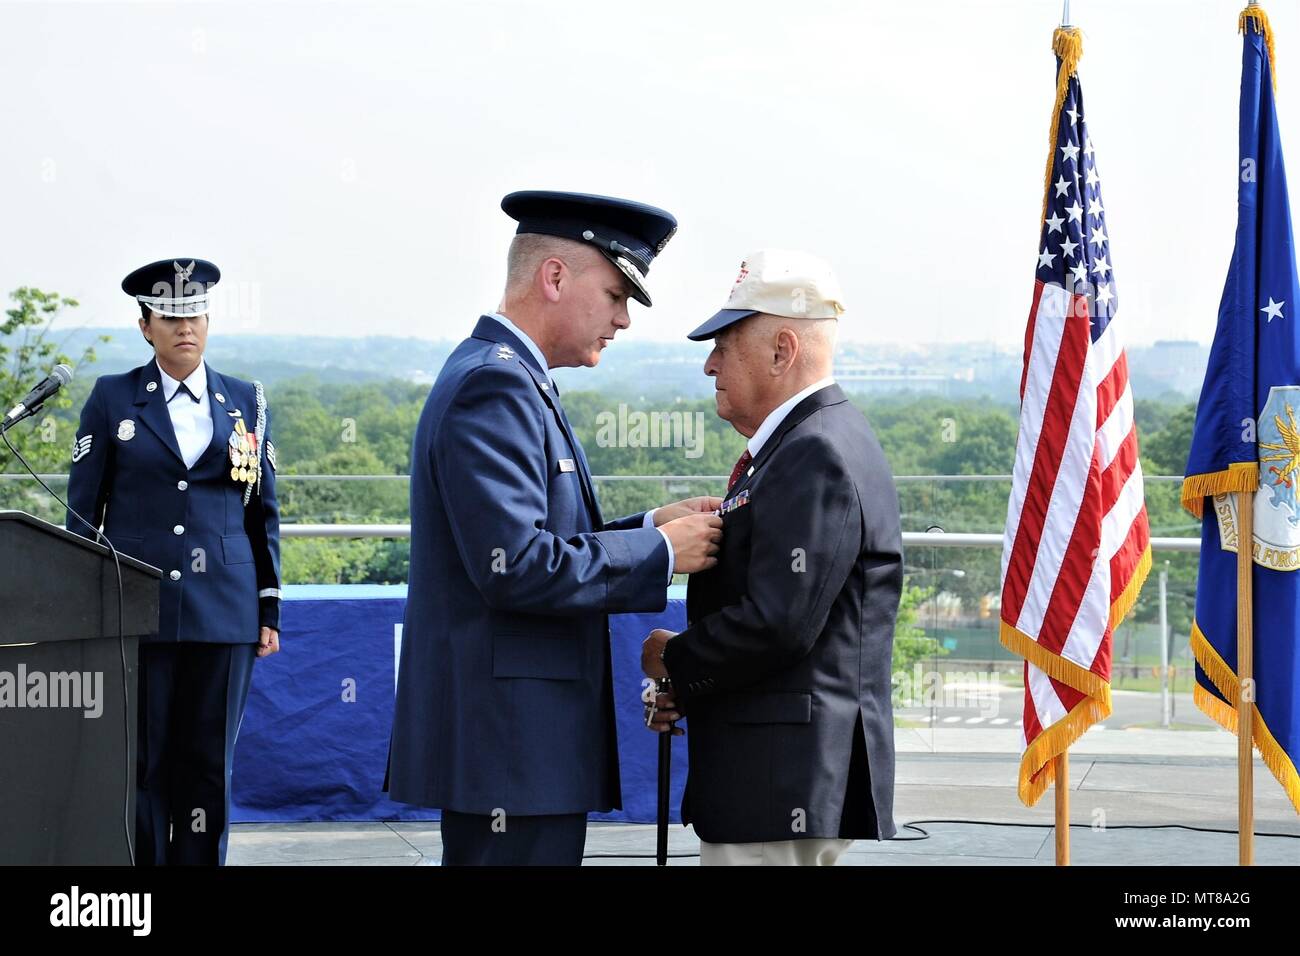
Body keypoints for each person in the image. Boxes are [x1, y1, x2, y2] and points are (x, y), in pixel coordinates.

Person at [386, 190, 723, 866]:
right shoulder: (497, 386)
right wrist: (659, 551)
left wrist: (649, 523)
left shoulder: (513, 378)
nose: (624, 319)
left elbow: (544, 537)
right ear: (556, 277)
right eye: (616, 294)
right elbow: (517, 565)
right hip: (511, 747)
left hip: (520, 749)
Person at [642, 249, 902, 866]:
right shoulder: (807, 442)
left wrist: (672, 659)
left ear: (783, 351)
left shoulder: (814, 452)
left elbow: (779, 623)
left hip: (778, 781)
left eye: (725, 347)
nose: (710, 365)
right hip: (779, 776)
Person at [66, 258, 281, 865]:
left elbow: (261, 511)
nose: (185, 327)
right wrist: (84, 607)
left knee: (209, 766)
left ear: (209, 322)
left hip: (225, 614)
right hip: (137, 609)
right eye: (170, 316)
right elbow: (83, 513)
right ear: (145, 326)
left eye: (195, 315)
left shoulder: (245, 401)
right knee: (142, 763)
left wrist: (269, 605)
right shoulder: (113, 399)